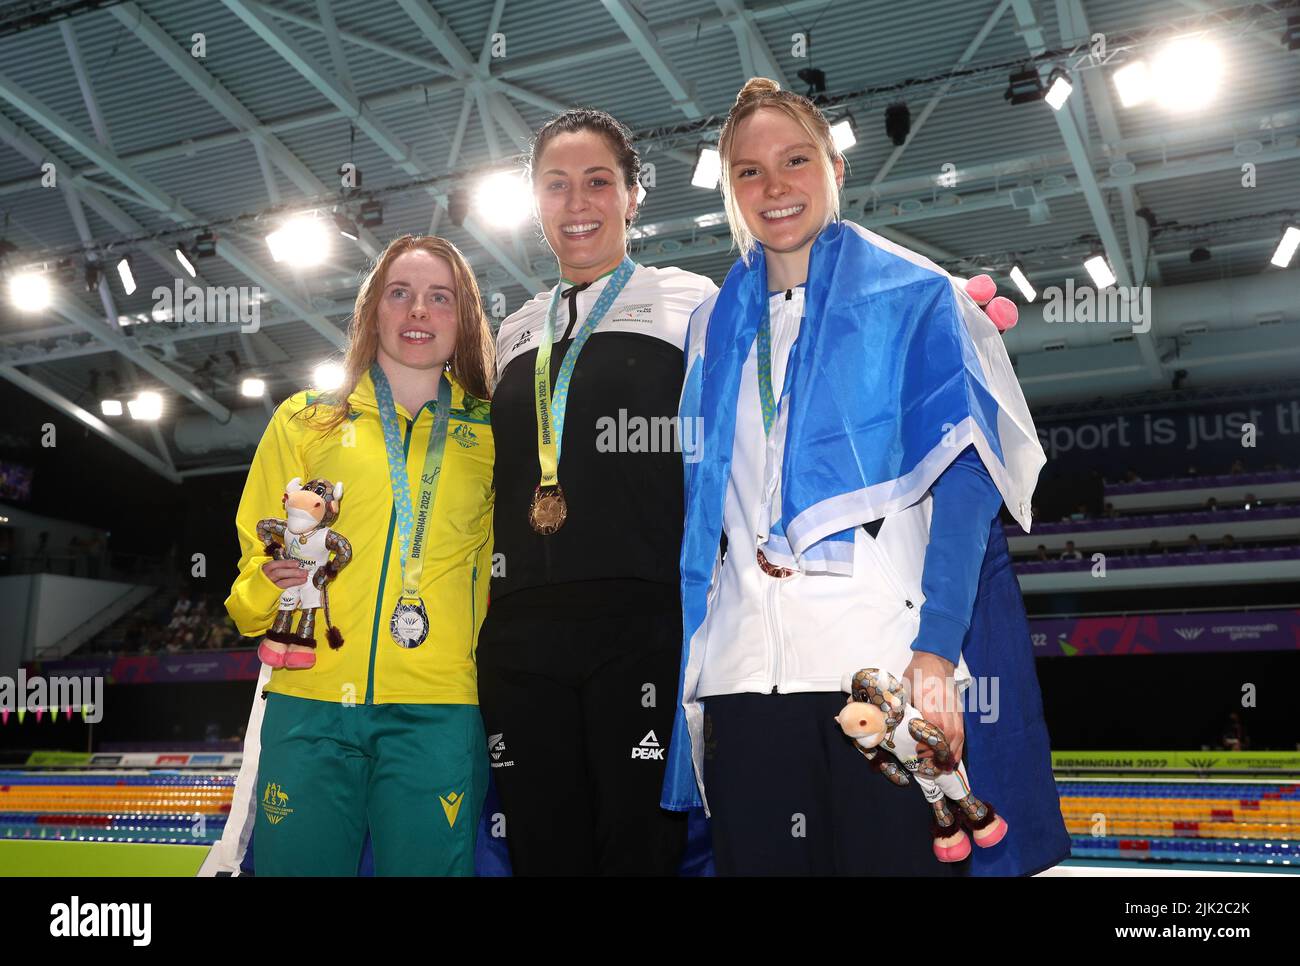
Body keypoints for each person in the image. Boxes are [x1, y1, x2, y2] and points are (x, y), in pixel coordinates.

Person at [662, 78, 1069, 876]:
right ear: (730, 190)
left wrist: (936, 652)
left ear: (835, 169)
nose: (774, 187)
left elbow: (966, 485)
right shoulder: (711, 325)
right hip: (743, 679)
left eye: (795, 160)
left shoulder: (916, 296)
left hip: (873, 676)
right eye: (748, 171)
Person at [203, 235, 496, 876]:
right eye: (401, 293)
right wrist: (266, 593)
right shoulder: (306, 419)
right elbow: (256, 553)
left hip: (438, 709)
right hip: (309, 700)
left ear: (463, 318)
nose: (418, 311)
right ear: (372, 311)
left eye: (439, 297)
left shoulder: (494, 431)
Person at [475, 109, 718, 875]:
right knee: (544, 855)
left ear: (632, 195)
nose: (577, 202)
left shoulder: (691, 301)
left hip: (639, 620)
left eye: (597, 182)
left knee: (638, 851)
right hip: (517, 633)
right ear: (537, 202)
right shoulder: (513, 331)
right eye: (557, 185)